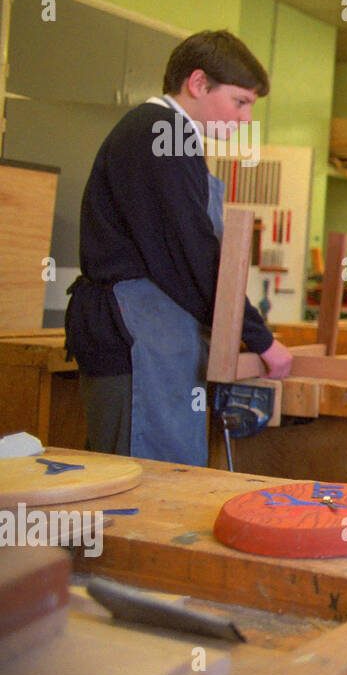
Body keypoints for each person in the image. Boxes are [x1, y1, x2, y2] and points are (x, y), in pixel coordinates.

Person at [65, 30, 293, 467]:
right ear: (198, 83)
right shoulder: (160, 133)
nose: (246, 119)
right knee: (140, 492)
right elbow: (194, 255)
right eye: (240, 102)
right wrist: (259, 338)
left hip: (150, 336)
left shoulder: (168, 135)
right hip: (134, 338)